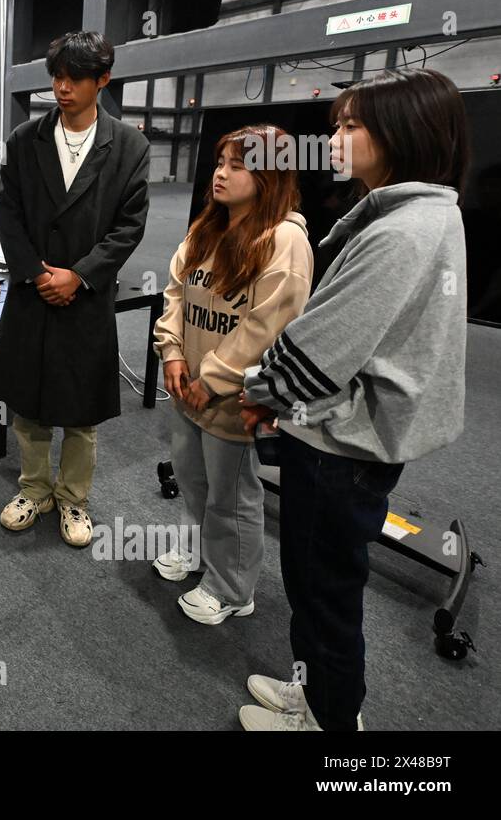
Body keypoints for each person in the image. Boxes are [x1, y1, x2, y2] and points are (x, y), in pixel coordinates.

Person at [236, 68, 469, 732]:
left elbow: (321, 347)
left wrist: (255, 396)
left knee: (323, 589)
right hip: (354, 436)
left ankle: (331, 720)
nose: (334, 138)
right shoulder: (426, 213)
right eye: (335, 123)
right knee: (322, 584)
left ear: (404, 132)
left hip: (340, 445)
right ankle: (313, 692)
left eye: (350, 125)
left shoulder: (400, 232)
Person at [0, 31, 149, 546]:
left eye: (75, 79)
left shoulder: (129, 146)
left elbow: (130, 225)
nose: (62, 88)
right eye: (56, 77)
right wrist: (36, 272)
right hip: (33, 292)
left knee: (81, 410)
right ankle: (33, 489)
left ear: (103, 80)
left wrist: (79, 275)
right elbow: (7, 213)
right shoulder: (23, 139)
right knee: (28, 404)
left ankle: (73, 499)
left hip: (85, 297)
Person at [151, 125, 313, 624]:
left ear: (268, 175)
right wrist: (173, 353)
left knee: (233, 497)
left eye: (237, 165)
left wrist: (213, 379)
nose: (221, 173)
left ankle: (232, 588)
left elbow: (267, 328)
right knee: (194, 481)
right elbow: (175, 293)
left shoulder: (284, 240)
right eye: (221, 162)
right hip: (186, 389)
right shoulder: (206, 229)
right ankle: (204, 553)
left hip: (232, 401)